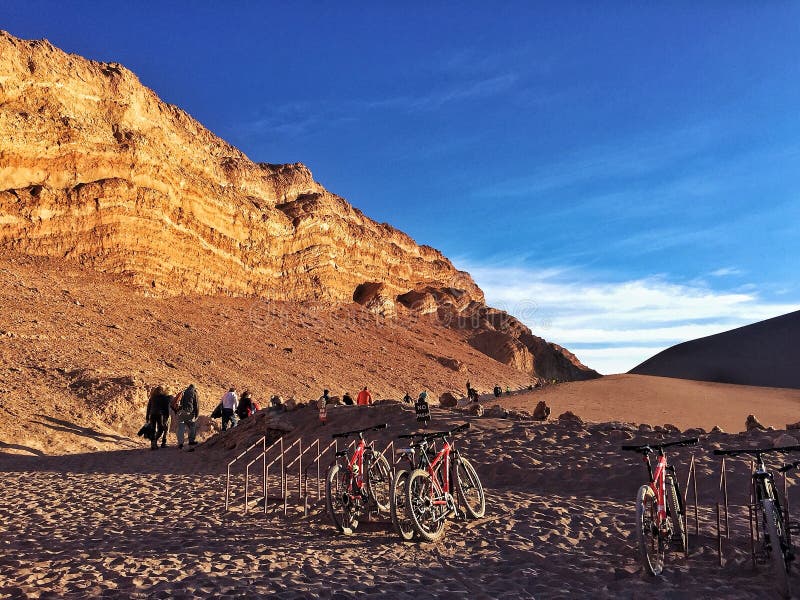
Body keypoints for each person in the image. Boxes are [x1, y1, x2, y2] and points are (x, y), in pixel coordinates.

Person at [173, 384, 199, 449]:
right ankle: (191, 441)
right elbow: (196, 405)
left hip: (181, 412)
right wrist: (196, 415)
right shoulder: (194, 393)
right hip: (189, 413)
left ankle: (180, 443)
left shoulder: (183, 392)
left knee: (181, 428)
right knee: (192, 426)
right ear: (194, 388)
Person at [146, 385, 171, 450]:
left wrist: (147, 417)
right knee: (161, 429)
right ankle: (155, 441)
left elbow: (148, 408)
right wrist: (167, 416)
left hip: (152, 415)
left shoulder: (152, 398)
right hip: (160, 415)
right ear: (162, 391)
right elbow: (166, 408)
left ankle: (153, 444)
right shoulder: (164, 398)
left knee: (153, 429)